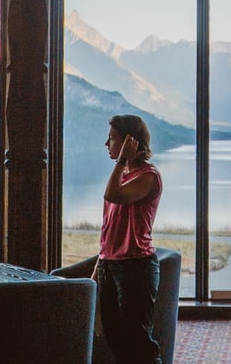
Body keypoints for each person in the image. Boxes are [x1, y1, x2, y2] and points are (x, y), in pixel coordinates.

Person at [93, 114, 164, 364]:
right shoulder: (123, 175)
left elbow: (112, 195)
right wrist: (99, 266)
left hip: (135, 266)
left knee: (138, 340)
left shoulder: (148, 176)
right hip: (110, 265)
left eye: (112, 138)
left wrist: (122, 158)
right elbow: (110, 229)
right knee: (115, 338)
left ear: (130, 142)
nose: (106, 144)